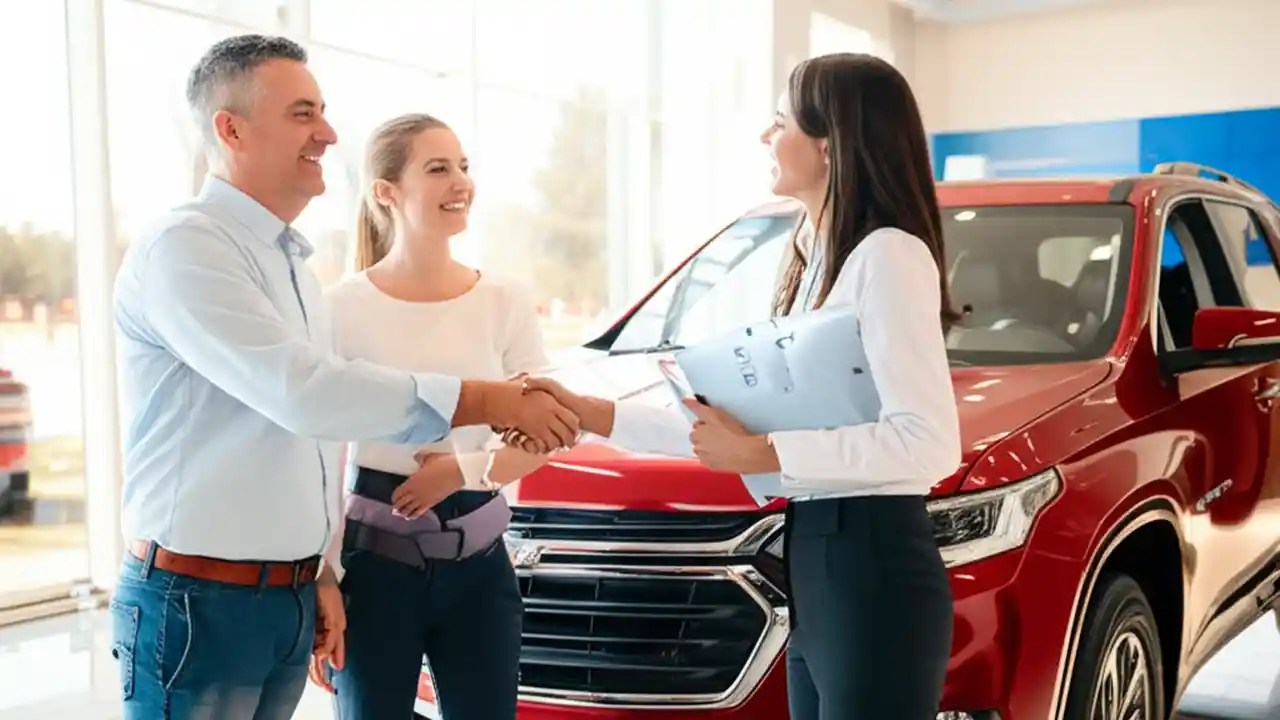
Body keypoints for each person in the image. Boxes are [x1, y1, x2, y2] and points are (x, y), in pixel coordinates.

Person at [110, 35, 577, 720]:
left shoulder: (291, 264)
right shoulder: (188, 245)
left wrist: (317, 569)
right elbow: (306, 395)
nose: (328, 134)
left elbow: (314, 448)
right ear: (230, 129)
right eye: (304, 114)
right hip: (199, 601)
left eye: (324, 113)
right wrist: (482, 399)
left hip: (286, 594)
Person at [517, 53, 962, 719]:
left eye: (779, 121)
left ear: (828, 143)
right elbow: (735, 429)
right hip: (819, 558)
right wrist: (590, 413)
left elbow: (928, 444)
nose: (765, 136)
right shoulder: (820, 262)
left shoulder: (889, 256)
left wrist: (769, 454)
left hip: (873, 564)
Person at [306, 112, 550, 719]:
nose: (460, 182)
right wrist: (322, 574)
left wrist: (461, 469)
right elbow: (316, 454)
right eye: (438, 168)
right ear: (387, 191)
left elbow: (547, 434)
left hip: (482, 569)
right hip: (373, 570)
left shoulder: (506, 300)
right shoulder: (338, 308)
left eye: (464, 166)